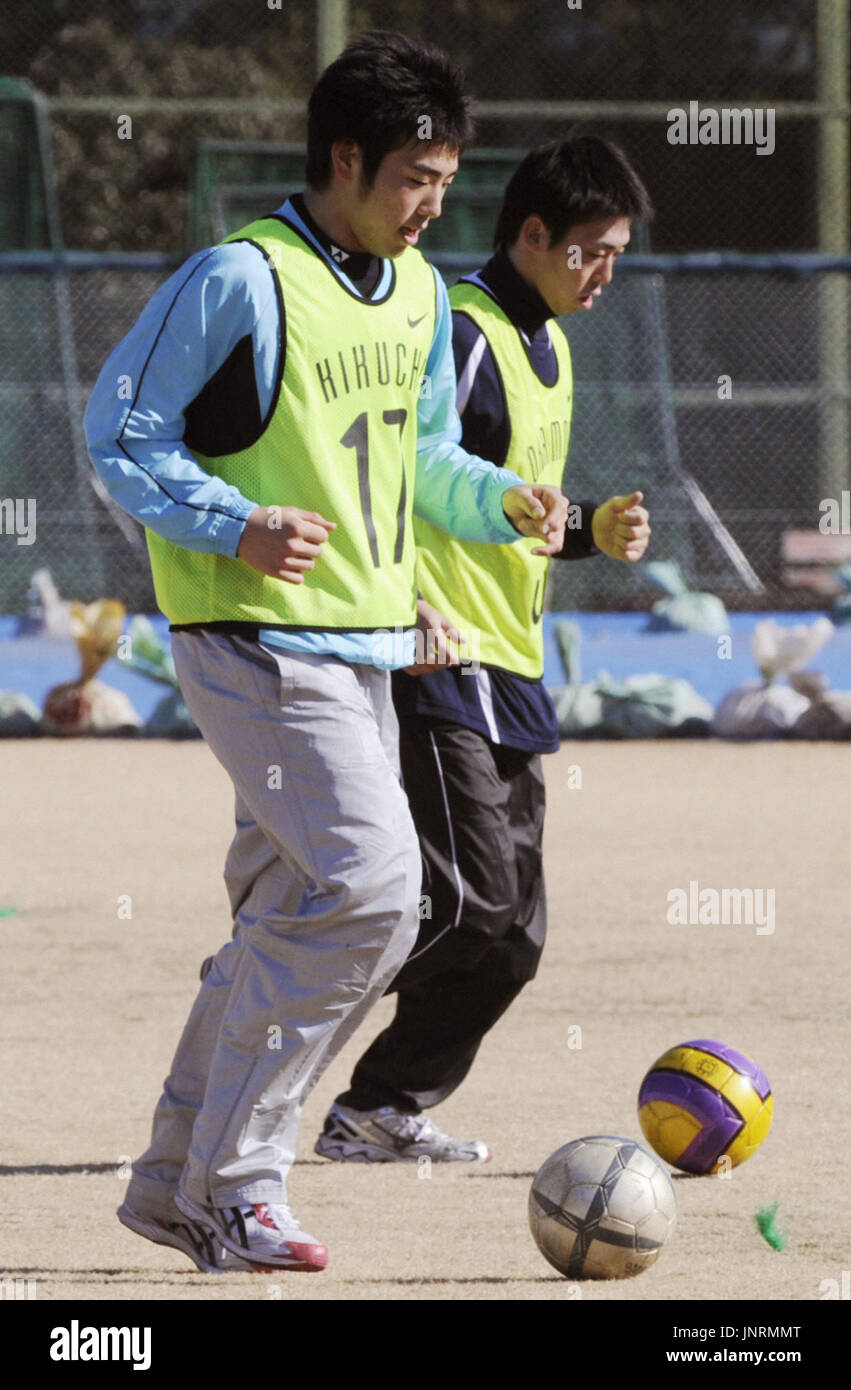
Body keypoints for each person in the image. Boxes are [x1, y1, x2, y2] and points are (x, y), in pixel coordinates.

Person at [84, 32, 568, 1274]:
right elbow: (118, 438)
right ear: (342, 159)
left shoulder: (415, 294)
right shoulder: (237, 278)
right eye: (414, 175)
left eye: (448, 180)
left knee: (284, 917)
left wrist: (497, 500)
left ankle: (168, 1182)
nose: (432, 204)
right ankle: (239, 1183)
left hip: (363, 652)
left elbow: (415, 463)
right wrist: (233, 523)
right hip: (254, 644)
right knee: (369, 896)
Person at [317, 135, 653, 1164]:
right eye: (591, 251)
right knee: (471, 898)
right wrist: (409, 598)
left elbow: (508, 503)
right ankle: (274, 972)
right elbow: (402, 474)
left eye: (616, 255)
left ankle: (377, 1106)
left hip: (512, 664)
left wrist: (588, 527)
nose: (604, 274)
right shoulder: (461, 328)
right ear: (532, 233)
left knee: (514, 939)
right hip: (434, 653)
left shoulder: (552, 344)